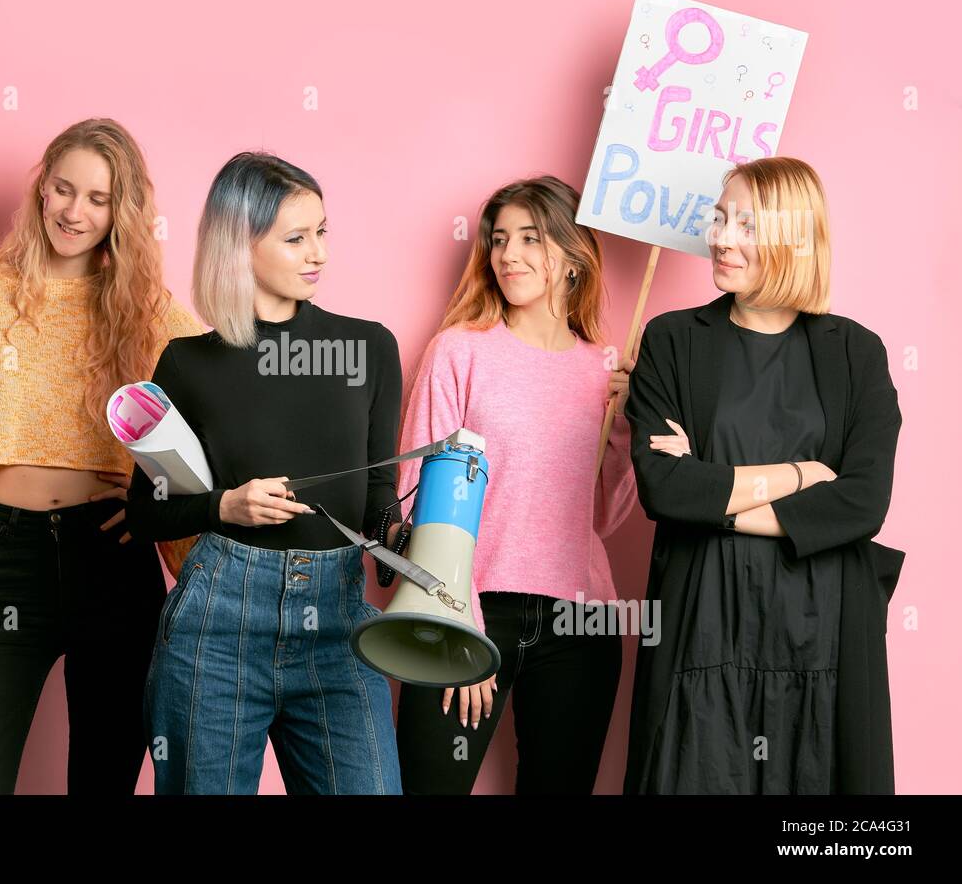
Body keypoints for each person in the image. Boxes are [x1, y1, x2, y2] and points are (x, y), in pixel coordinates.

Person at [0, 118, 202, 794]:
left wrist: (155, 506)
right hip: (7, 556)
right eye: (64, 190)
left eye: (98, 198)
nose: (75, 212)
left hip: (113, 557)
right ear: (42, 191)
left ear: (124, 212)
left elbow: (205, 436)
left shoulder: (151, 317)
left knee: (104, 778)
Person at [126, 152, 405, 794]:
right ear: (240, 246)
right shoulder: (188, 364)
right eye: (296, 238)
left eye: (322, 232)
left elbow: (377, 501)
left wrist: (404, 543)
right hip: (216, 625)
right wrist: (224, 506)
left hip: (338, 618)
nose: (319, 254)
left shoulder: (368, 349)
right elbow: (145, 512)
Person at [623, 156, 904, 793]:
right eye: (720, 219)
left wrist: (716, 497)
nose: (720, 237)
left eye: (745, 224)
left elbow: (862, 502)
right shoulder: (672, 340)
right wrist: (802, 474)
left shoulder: (857, 352)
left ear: (794, 235)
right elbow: (666, 489)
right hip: (703, 622)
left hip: (825, 628)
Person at [392, 176, 637, 794]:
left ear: (574, 256)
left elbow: (601, 516)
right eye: (499, 240)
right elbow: (414, 494)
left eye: (531, 238)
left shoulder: (603, 369)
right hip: (468, 606)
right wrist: (458, 625)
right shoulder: (459, 352)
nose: (508, 255)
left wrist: (626, 431)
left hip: (581, 620)